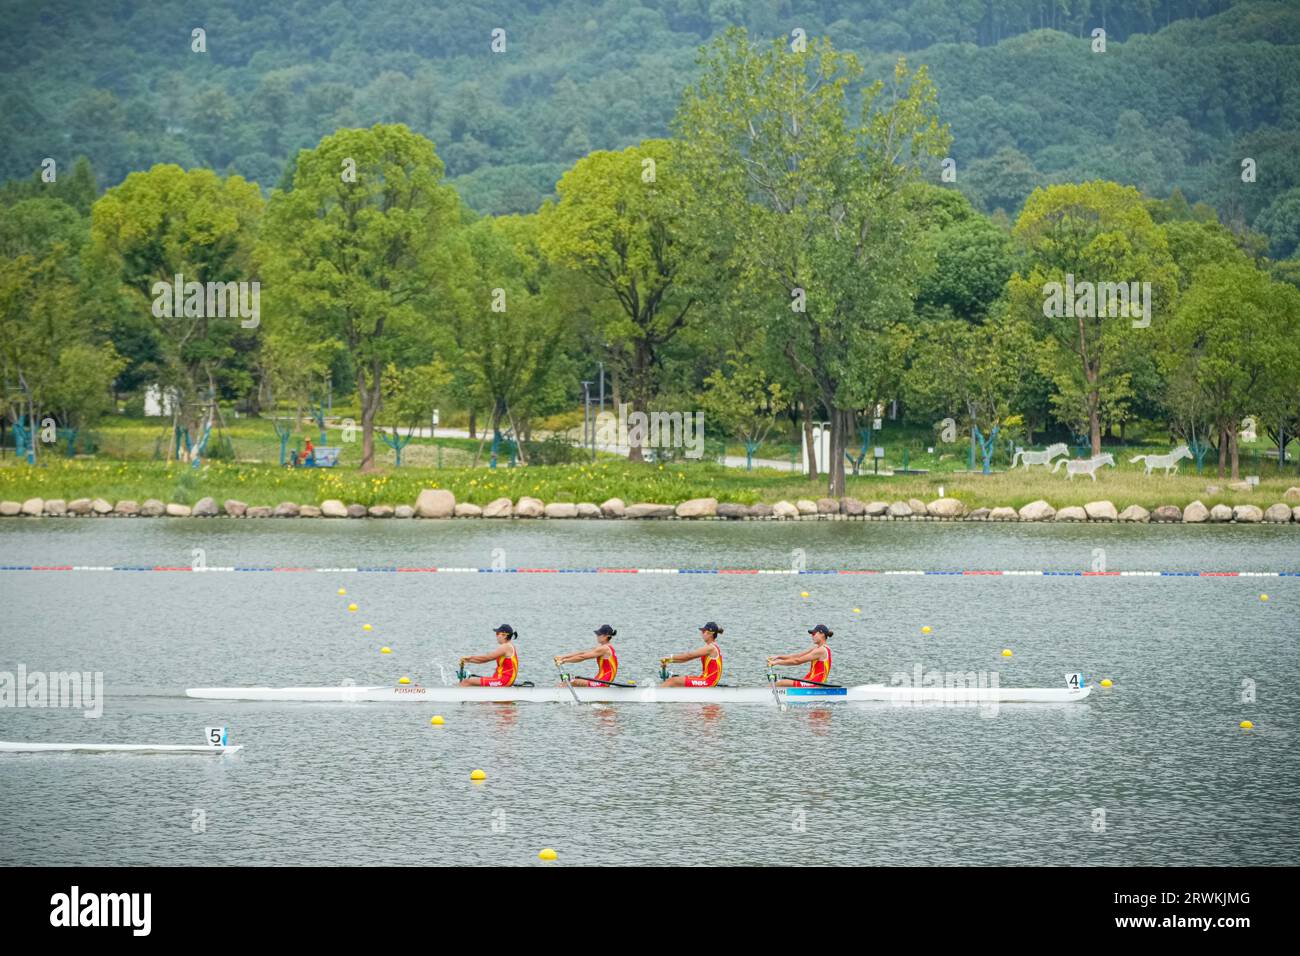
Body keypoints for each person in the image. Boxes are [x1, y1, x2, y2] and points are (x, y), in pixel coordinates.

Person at [660, 622, 724, 687]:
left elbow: (689, 655)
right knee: (675, 679)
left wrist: (671, 656)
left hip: (708, 682)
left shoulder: (711, 648)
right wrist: (668, 660)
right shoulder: (710, 647)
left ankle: (657, 692)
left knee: (672, 681)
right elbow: (686, 659)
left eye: (703, 631)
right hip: (705, 679)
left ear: (710, 634)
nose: (701, 634)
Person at [767, 625, 833, 687]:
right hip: (810, 680)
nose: (812, 636)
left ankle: (764, 693)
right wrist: (778, 657)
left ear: (822, 634)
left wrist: (776, 662)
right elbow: (798, 656)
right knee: (779, 684)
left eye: (814, 634)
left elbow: (797, 661)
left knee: (780, 683)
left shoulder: (821, 650)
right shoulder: (817, 648)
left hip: (815, 683)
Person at [554, 625, 619, 686]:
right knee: (569, 679)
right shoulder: (604, 647)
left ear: (606, 636)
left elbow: (582, 657)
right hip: (599, 679)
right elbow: (582, 653)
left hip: (604, 681)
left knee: (571, 681)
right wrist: (563, 657)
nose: (597, 636)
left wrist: (564, 661)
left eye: (599, 634)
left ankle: (556, 693)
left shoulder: (604, 649)